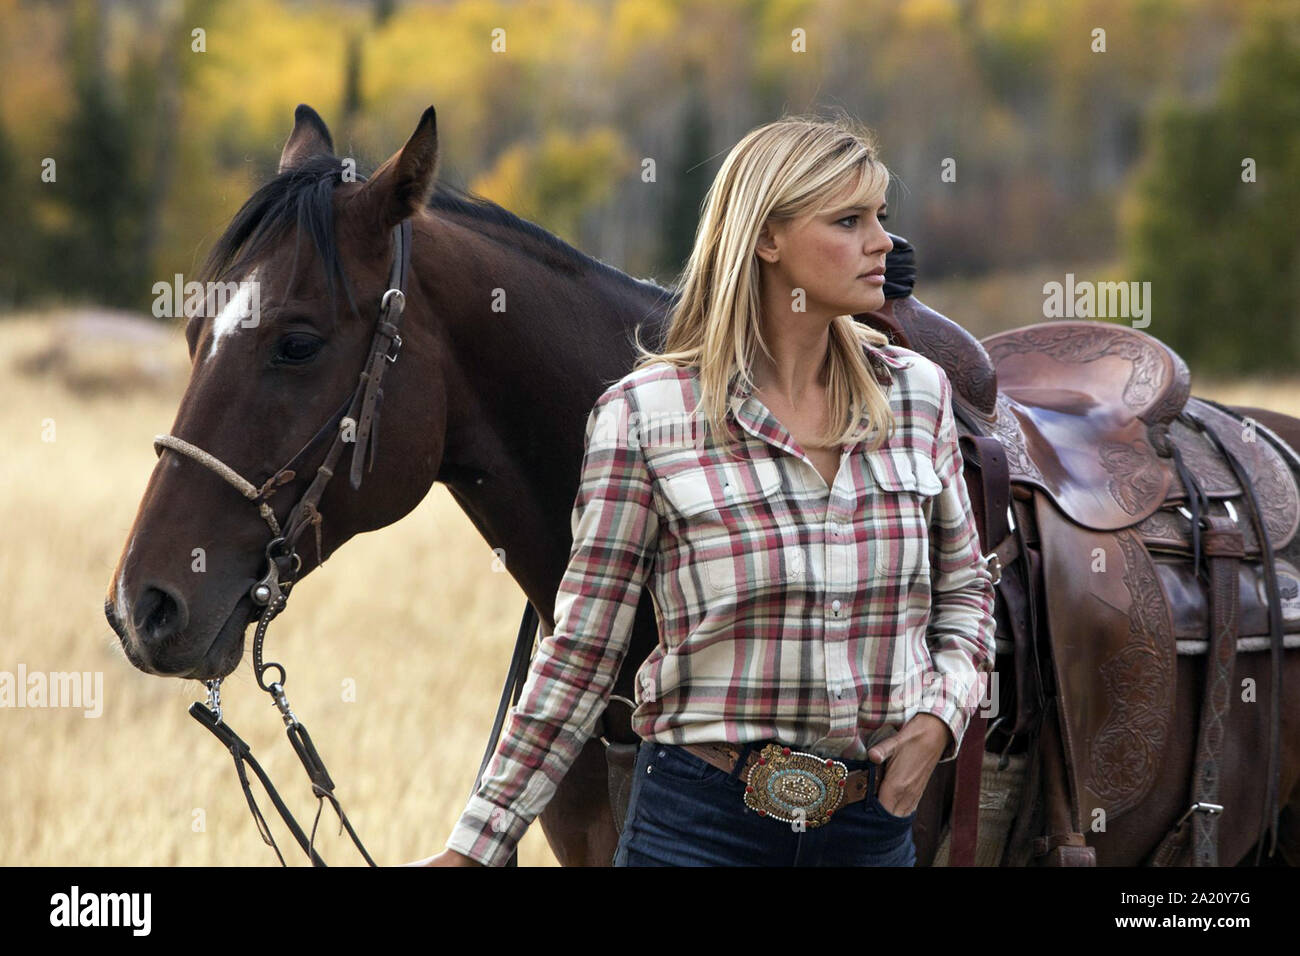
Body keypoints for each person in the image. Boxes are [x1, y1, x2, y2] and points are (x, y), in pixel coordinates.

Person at [422, 112, 996, 867]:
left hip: (871, 833)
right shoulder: (645, 418)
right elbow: (581, 654)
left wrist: (942, 718)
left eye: (880, 218)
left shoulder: (916, 396)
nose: (883, 242)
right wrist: (476, 849)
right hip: (698, 831)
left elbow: (967, 596)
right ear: (767, 238)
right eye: (849, 220)